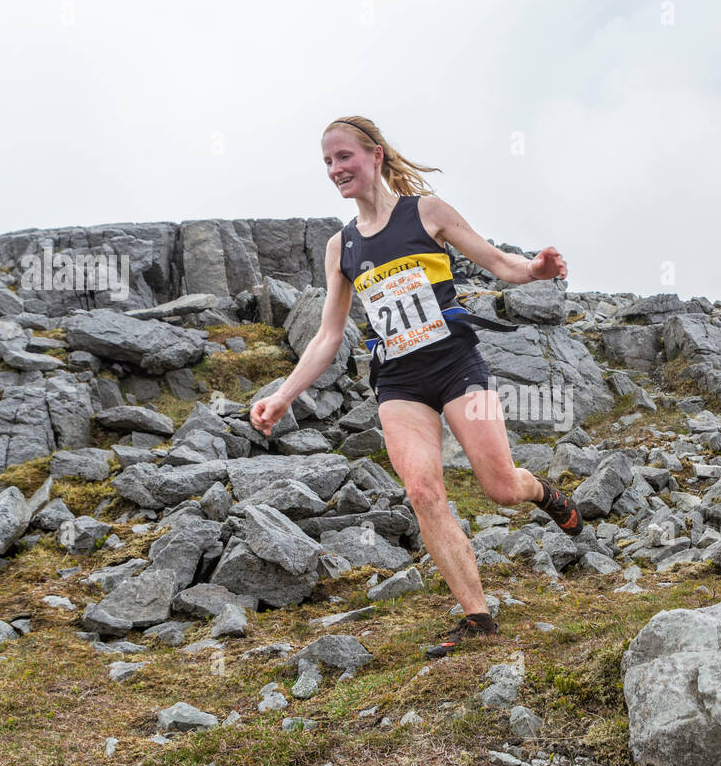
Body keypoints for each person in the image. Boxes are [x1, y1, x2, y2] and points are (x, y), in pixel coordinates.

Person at [250, 115, 585, 659]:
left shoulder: (426, 213)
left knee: (500, 487)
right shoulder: (342, 247)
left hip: (455, 364)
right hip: (399, 380)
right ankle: (478, 618)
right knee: (424, 492)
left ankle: (543, 494)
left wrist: (536, 269)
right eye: (328, 162)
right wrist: (284, 394)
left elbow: (500, 264)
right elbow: (329, 335)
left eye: (344, 157)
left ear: (375, 155)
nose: (336, 169)